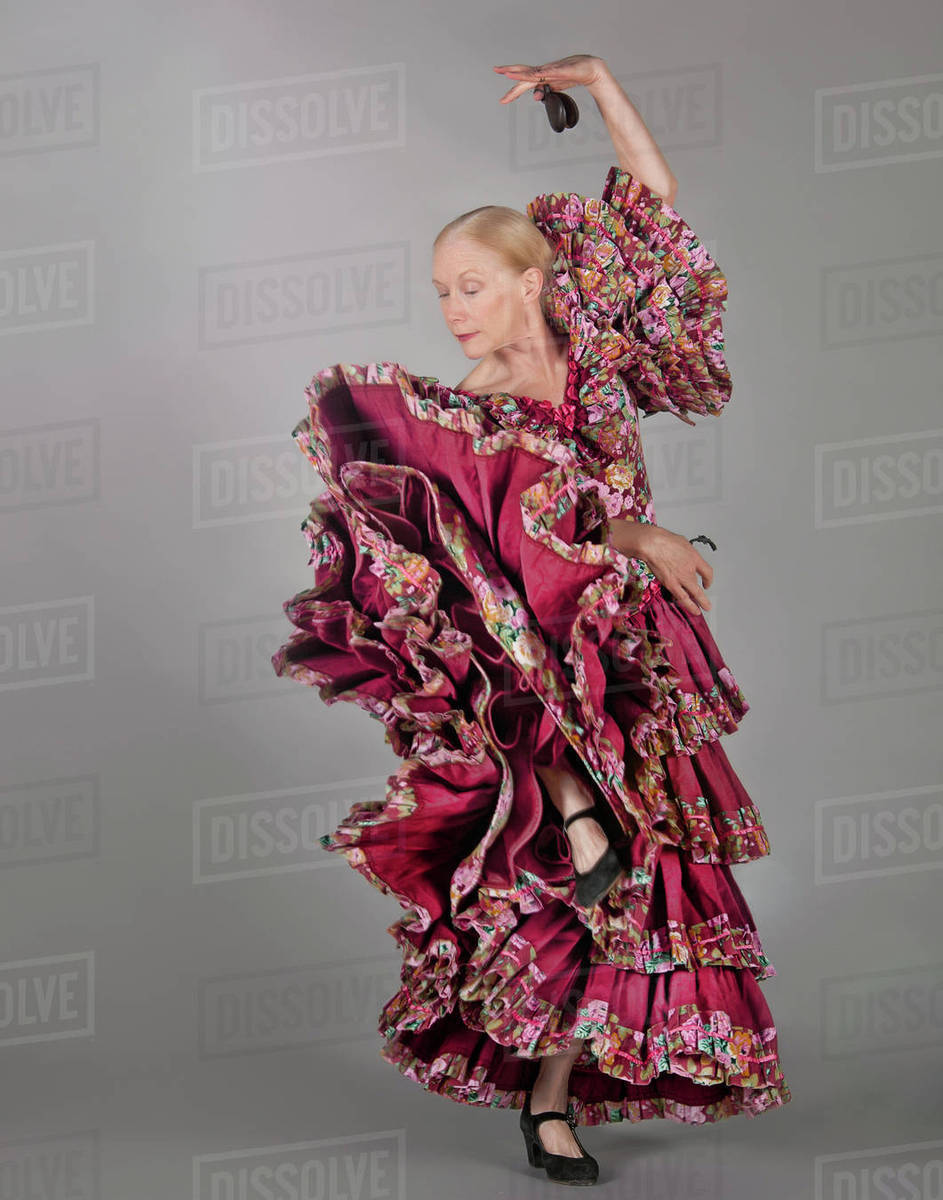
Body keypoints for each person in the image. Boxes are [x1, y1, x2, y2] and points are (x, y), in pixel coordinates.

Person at [272, 53, 791, 1187]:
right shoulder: (478, 415)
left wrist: (602, 87)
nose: (451, 308)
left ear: (530, 282)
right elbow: (521, 537)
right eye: (440, 290)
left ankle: (553, 1103)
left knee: (632, 881)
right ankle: (565, 804)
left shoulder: (595, 357)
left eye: (468, 284)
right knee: (549, 857)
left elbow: (655, 216)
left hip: (628, 650)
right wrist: (632, 536)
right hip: (535, 667)